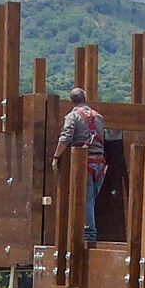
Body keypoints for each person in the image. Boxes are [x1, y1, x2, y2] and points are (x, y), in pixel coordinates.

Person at [51, 86, 108, 243]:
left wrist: (56, 157)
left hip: (85, 163)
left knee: (86, 200)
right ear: (85, 98)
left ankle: (89, 236)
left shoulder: (73, 117)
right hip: (99, 164)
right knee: (90, 200)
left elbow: (65, 138)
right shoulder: (99, 117)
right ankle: (87, 232)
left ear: (72, 101)